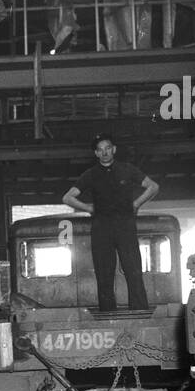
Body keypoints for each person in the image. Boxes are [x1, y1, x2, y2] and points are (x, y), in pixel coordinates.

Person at [62, 134, 159, 312]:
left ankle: (140, 313)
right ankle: (108, 315)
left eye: (108, 148)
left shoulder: (128, 169)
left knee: (134, 271)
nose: (105, 152)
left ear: (114, 149)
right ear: (96, 154)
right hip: (102, 228)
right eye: (100, 150)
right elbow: (67, 198)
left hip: (125, 226)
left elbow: (153, 186)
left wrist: (136, 203)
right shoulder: (90, 174)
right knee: (104, 274)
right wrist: (87, 208)